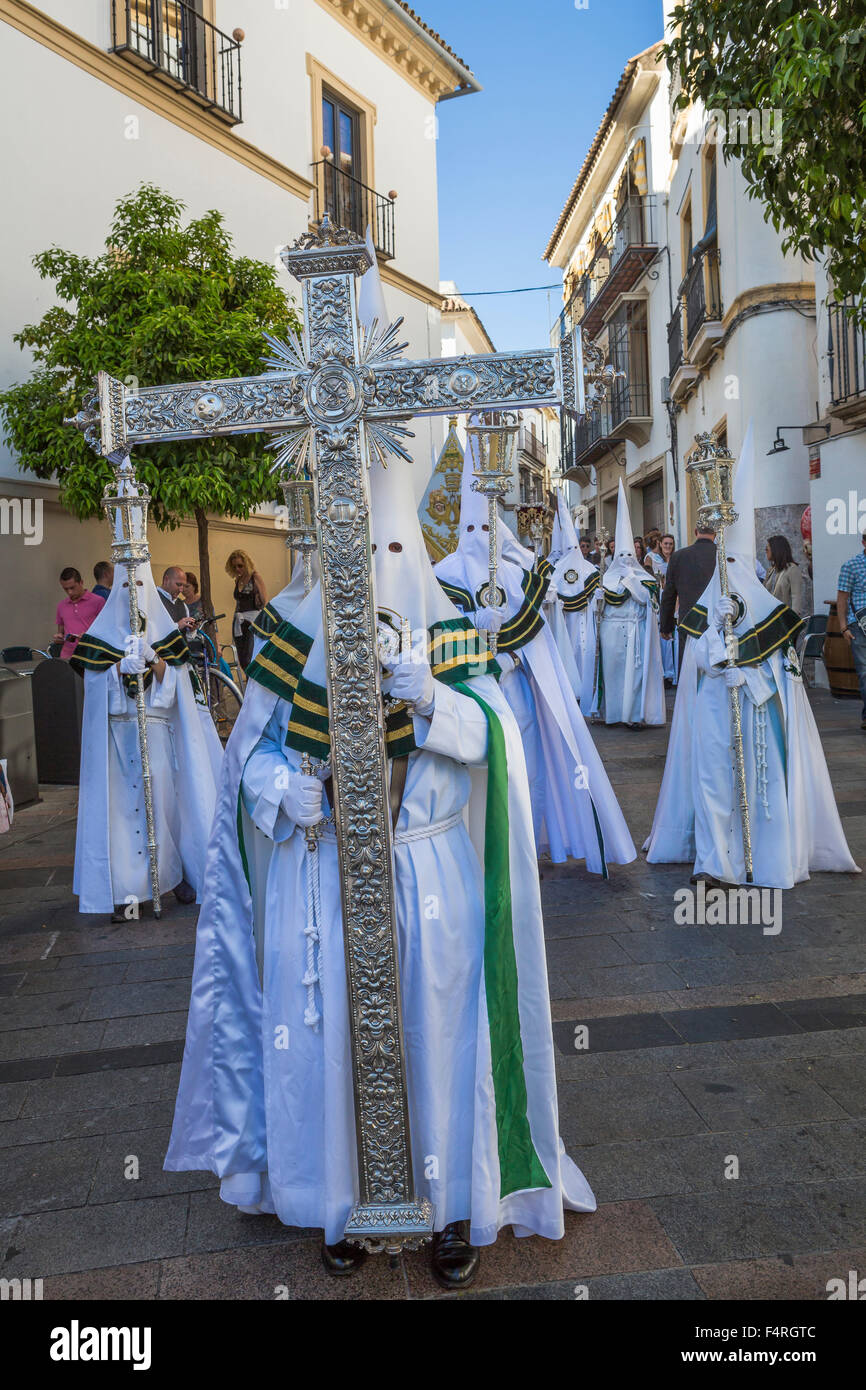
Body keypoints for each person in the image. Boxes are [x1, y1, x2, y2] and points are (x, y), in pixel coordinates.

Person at [165, 451, 597, 1289]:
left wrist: (432, 698)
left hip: (431, 870)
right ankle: (340, 1204)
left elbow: (496, 749)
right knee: (327, 1045)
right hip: (318, 873)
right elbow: (247, 754)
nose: (380, 574)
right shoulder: (291, 641)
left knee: (440, 1040)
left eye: (395, 551)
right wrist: (278, 792)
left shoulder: (452, 635)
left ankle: (449, 1210)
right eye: (366, 554)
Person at [646, 423, 858, 888]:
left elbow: (788, 676)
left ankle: (758, 859)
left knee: (757, 792)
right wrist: (716, 654)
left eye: (741, 565)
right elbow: (696, 663)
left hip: (756, 721)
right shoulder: (711, 605)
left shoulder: (769, 611)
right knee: (711, 784)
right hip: (712, 711)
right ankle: (713, 862)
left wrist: (753, 680)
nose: (735, 574)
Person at [435, 441, 634, 873]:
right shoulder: (440, 577)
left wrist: (506, 657)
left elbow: (534, 639)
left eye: (484, 530)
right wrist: (471, 627)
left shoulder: (514, 575)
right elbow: (433, 640)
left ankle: (524, 842)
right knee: (470, 773)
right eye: (469, 530)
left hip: (512, 688)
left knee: (523, 771)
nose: (477, 540)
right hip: (464, 695)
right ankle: (474, 847)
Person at [70, 541, 223, 920]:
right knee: (123, 815)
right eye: (126, 589)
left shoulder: (165, 635)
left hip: (155, 732)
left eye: (139, 588)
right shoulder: (101, 637)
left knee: (164, 804)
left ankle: (172, 876)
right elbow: (93, 687)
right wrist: (117, 669)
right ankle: (129, 891)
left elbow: (176, 691)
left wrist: (155, 660)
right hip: (117, 737)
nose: (133, 597)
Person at [590, 480, 665, 729]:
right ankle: (611, 713)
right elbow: (596, 612)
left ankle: (633, 715)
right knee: (612, 676)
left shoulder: (643, 578)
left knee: (634, 676)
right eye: (620, 555)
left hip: (635, 630)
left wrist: (633, 581)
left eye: (628, 556)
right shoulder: (606, 578)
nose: (624, 560)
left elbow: (647, 601)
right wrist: (597, 600)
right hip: (610, 630)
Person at [546, 490, 600, 712]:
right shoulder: (554, 571)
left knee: (583, 651)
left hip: (584, 619)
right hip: (562, 621)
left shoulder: (590, 569)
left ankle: (585, 689)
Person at [660, 523, 718, 676]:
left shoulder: (678, 556)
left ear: (695, 531)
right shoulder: (722, 554)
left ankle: (688, 699)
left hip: (688, 621)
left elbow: (669, 594)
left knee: (689, 669)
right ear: (716, 533)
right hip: (717, 621)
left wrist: (665, 627)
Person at [837, 526, 866, 732]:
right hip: (858, 625)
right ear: (864, 542)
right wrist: (843, 627)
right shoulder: (851, 565)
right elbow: (842, 598)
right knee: (864, 672)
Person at [226, 550, 267, 670]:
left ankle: (252, 686)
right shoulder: (238, 580)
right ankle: (248, 687)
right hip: (239, 622)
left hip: (252, 622)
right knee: (242, 659)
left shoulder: (255, 577)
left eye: (240, 565)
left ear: (246, 564)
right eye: (234, 566)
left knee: (249, 658)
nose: (237, 569)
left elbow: (264, 601)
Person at [53, 568, 105, 662]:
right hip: (67, 656)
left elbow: (106, 629)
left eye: (72, 587)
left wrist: (89, 636)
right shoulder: (61, 605)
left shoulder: (98, 601)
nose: (69, 592)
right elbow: (61, 632)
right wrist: (59, 638)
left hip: (91, 656)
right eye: (65, 589)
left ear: (81, 582)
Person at [654, 535, 678, 685]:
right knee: (663, 638)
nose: (668, 546)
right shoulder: (654, 559)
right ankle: (665, 673)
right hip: (661, 598)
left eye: (670, 543)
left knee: (674, 638)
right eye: (665, 543)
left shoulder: (676, 559)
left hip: (675, 598)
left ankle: (674, 672)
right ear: (660, 544)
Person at [763, 535, 805, 616]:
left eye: (767, 549)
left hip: (785, 620)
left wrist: (792, 621)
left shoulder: (792, 569)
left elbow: (796, 597)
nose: (766, 551)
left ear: (776, 549)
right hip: (770, 618)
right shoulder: (770, 571)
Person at [157, 566, 196, 635]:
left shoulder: (183, 605)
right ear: (166, 580)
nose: (181, 590)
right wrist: (177, 626)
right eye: (178, 584)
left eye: (183, 586)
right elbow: (151, 632)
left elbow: (187, 638)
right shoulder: (153, 598)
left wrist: (191, 630)